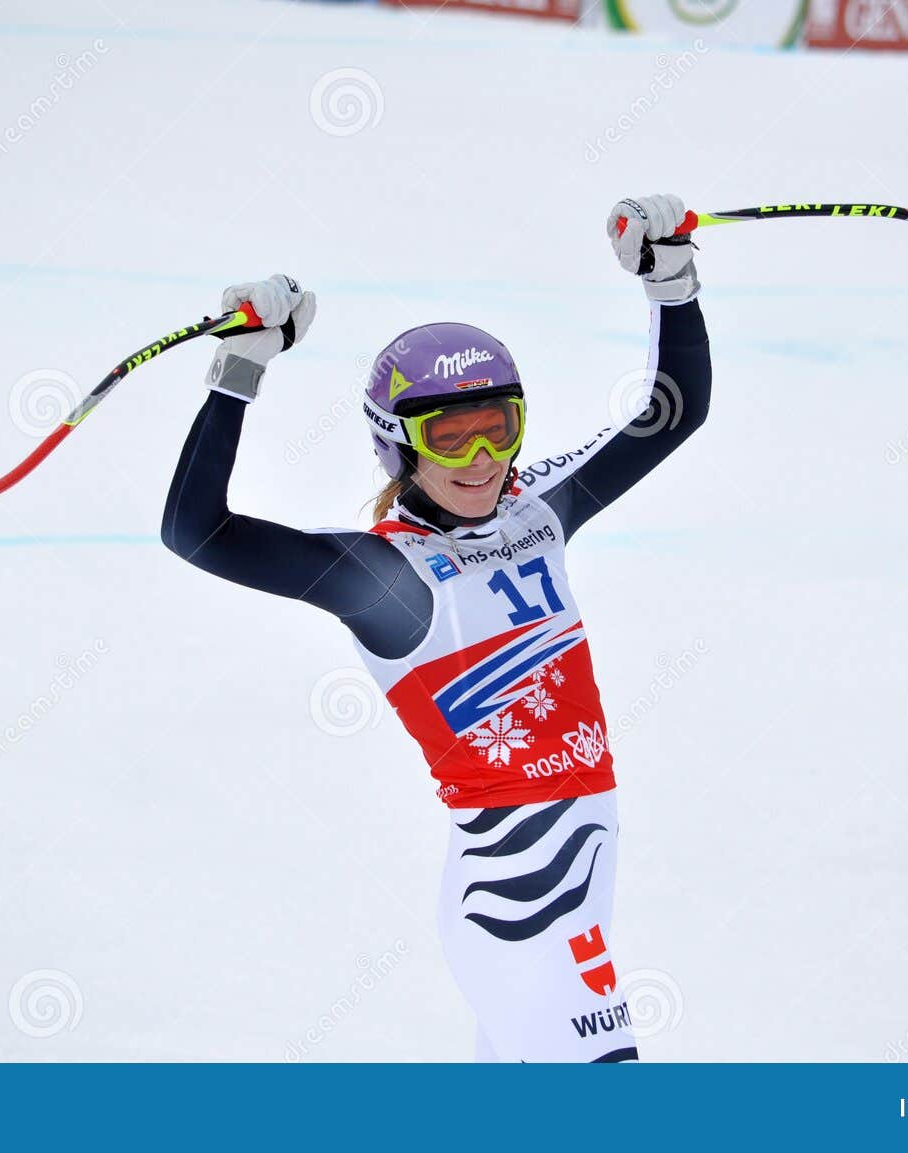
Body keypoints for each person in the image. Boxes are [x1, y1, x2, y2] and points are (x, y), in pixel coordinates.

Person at [161, 194, 711, 1061]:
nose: (483, 458)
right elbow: (197, 532)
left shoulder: (539, 509)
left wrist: (670, 279)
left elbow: (671, 416)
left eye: (499, 428)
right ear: (399, 447)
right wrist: (239, 370)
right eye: (450, 438)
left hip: (572, 890)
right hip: (518, 904)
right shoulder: (385, 575)